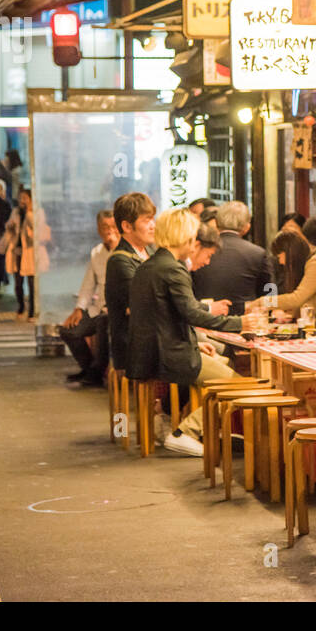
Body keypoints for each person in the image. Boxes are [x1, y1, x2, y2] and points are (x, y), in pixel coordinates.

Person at [127, 209, 239, 455]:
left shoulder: (151, 265)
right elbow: (192, 314)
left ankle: (190, 425)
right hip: (169, 356)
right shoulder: (173, 269)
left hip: (150, 353)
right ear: (185, 237)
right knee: (235, 384)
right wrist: (241, 324)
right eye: (192, 237)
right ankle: (186, 432)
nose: (194, 243)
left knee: (220, 362)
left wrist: (194, 345)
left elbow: (163, 318)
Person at [247, 229, 316, 335]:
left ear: (289, 252)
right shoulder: (313, 260)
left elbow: (297, 298)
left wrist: (261, 302)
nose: (280, 262)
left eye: (279, 256)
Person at [59, 210, 119, 388]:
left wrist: (115, 247)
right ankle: (89, 369)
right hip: (98, 307)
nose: (109, 231)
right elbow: (88, 284)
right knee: (68, 330)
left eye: (113, 226)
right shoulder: (97, 252)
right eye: (105, 227)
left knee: (103, 322)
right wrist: (79, 308)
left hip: (117, 311)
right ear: (99, 229)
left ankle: (95, 373)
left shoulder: (124, 251)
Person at [106, 192, 157, 381]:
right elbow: (142, 304)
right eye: (146, 220)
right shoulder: (120, 261)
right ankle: (165, 408)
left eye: (153, 219)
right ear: (127, 226)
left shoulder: (150, 252)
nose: (153, 225)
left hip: (153, 340)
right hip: (135, 347)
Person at [192, 200, 272, 312]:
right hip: (246, 320)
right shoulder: (257, 253)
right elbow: (269, 290)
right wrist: (273, 311)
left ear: (217, 222)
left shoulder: (199, 251)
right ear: (247, 227)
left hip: (204, 316)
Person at [0, 188, 49, 321]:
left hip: (31, 251)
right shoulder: (16, 211)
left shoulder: (38, 212)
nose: (22, 200)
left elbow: (37, 228)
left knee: (32, 283)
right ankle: (21, 306)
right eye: (21, 197)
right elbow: (9, 226)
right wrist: (10, 226)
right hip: (17, 251)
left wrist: (29, 213)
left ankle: (32, 311)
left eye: (25, 198)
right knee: (18, 283)